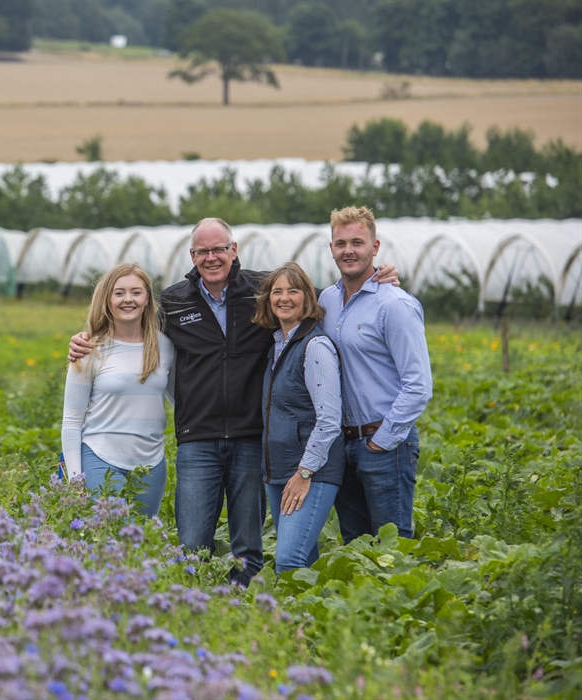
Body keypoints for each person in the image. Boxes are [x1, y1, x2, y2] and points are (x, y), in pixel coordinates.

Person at [69, 218, 399, 587]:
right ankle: (194, 607)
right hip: (197, 441)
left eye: (219, 249)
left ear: (234, 250)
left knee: (248, 546)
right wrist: (87, 338)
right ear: (192, 256)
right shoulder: (174, 302)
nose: (212, 258)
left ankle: (245, 611)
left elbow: (326, 297)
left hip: (250, 438)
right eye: (203, 251)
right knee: (192, 543)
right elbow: (130, 326)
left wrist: (373, 278)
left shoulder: (263, 289)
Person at [321, 206, 432, 543]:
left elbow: (419, 386)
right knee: (355, 548)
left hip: (384, 444)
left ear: (375, 246)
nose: (348, 251)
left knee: (393, 548)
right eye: (341, 243)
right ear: (331, 249)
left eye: (357, 242)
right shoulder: (325, 301)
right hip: (341, 446)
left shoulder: (395, 305)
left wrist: (380, 442)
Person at [61, 262, 175, 518]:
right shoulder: (89, 348)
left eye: (136, 292)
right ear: (107, 299)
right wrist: (75, 479)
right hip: (101, 456)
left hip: (151, 462)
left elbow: (180, 400)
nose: (128, 300)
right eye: (119, 293)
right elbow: (71, 421)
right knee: (109, 537)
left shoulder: (164, 346)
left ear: (147, 298)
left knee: (141, 540)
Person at [253, 263, 343, 574]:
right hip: (280, 471)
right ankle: (315, 622)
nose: (284, 298)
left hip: (310, 472)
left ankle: (288, 623)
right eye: (277, 291)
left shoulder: (315, 346)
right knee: (305, 563)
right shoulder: (278, 346)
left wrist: (304, 473)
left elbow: (329, 418)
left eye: (294, 290)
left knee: (288, 560)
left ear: (308, 298)